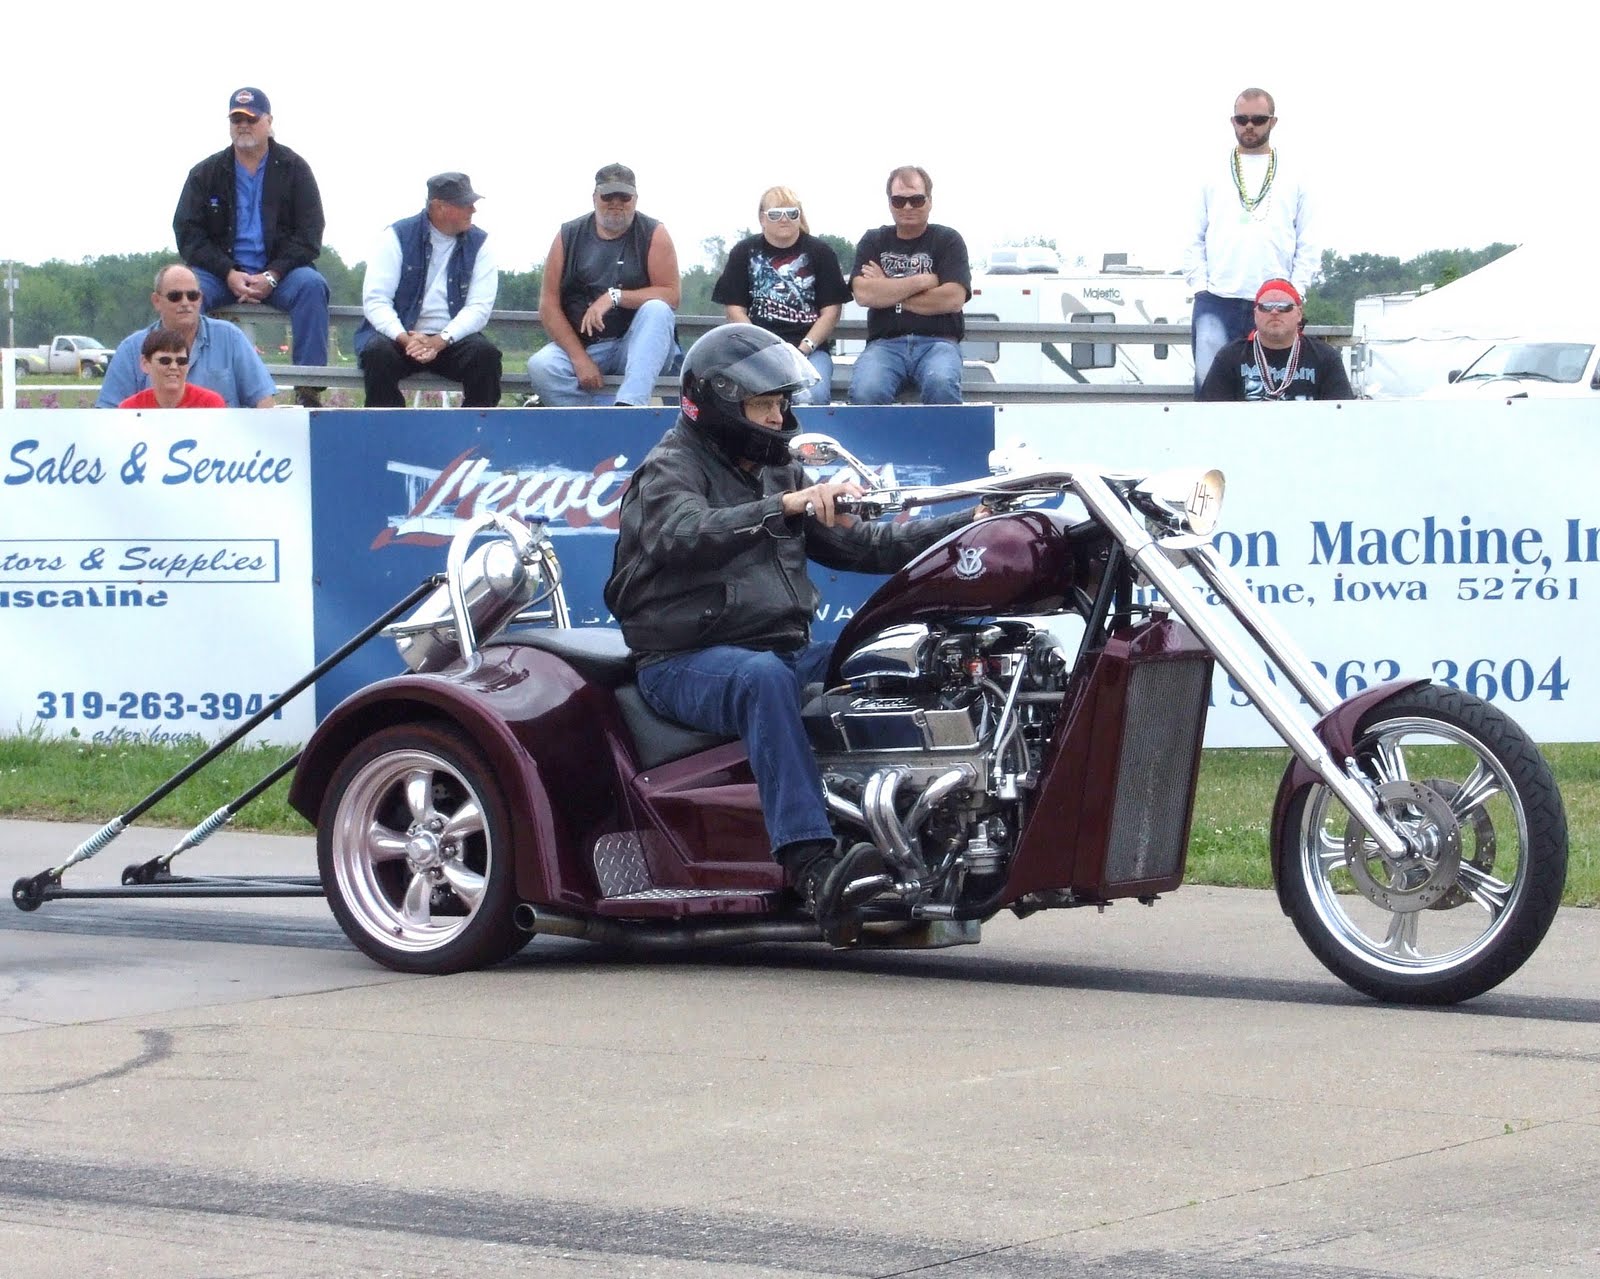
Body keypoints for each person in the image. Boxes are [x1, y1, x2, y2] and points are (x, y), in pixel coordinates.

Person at [604, 324, 981, 924]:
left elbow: (870, 547)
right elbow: (682, 534)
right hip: (681, 662)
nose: (780, 417)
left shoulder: (774, 469)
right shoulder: (668, 467)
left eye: (781, 403)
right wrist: (783, 508)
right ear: (723, 403)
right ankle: (811, 863)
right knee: (762, 680)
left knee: (881, 656)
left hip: (779, 651)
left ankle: (914, 833)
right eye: (765, 404)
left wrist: (971, 522)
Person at [173, 87, 331, 408]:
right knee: (187, 294)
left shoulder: (295, 169)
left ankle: (308, 388)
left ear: (268, 121)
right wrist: (227, 272)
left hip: (281, 274)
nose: (243, 125)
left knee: (313, 286)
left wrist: (273, 274)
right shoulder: (205, 173)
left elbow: (310, 235)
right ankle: (184, 383)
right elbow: (187, 233)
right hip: (220, 273)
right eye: (236, 119)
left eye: (251, 118)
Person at [1184, 87, 1317, 394]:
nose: (1249, 126)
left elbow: (1309, 240)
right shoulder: (1210, 173)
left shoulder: (1296, 175)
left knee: (1274, 390)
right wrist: (1200, 287)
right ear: (1232, 121)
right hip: (1217, 298)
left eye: (1258, 119)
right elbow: (1192, 236)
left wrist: (1295, 292)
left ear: (1273, 122)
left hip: (1276, 302)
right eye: (1241, 119)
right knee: (1210, 389)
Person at [527, 163, 681, 407]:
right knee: (541, 366)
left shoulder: (654, 233)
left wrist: (614, 296)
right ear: (594, 198)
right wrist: (579, 359)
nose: (616, 202)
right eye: (608, 195)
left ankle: (629, 408)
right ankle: (592, 424)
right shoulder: (568, 235)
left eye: (624, 196)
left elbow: (671, 295)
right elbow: (548, 306)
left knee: (658, 310)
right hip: (585, 346)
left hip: (636, 346)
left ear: (635, 199)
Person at [352, 173, 502, 409]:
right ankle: (387, 435)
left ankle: (474, 436)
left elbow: (479, 308)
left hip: (451, 340)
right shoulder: (396, 236)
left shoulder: (481, 244)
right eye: (465, 204)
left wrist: (439, 341)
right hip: (400, 338)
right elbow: (376, 300)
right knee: (377, 354)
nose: (473, 209)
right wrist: (404, 338)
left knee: (485, 357)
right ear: (439, 207)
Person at [712, 186, 850, 405]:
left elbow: (831, 311)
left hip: (809, 351)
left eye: (792, 213)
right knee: (746, 396)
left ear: (800, 216)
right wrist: (763, 349)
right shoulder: (743, 252)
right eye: (775, 214)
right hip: (756, 352)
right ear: (762, 219)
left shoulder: (821, 252)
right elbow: (734, 309)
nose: (784, 219)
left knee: (813, 396)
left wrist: (803, 349)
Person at [846, 166, 971, 405]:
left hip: (939, 343)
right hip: (884, 345)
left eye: (916, 200)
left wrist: (887, 288)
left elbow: (952, 299)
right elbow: (863, 294)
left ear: (930, 201)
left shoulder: (948, 240)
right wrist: (923, 281)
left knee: (941, 383)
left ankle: (943, 443)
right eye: (899, 201)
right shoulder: (873, 240)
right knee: (866, 391)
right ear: (889, 203)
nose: (907, 207)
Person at [96, 264, 278, 408]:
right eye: (175, 296)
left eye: (192, 295)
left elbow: (264, 402)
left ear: (200, 298)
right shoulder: (131, 349)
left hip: (219, 449)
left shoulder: (231, 338)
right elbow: (108, 416)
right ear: (156, 301)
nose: (185, 303)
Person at [1198, 279, 1353, 401]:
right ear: (1255, 314)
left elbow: (1342, 414)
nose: (1274, 312)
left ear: (1299, 313)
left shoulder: (1325, 357)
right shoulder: (1229, 357)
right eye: (1265, 306)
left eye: (1284, 306)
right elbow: (1210, 415)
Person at [116, 327, 226, 409]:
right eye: (165, 361)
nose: (174, 367)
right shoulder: (129, 409)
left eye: (181, 361)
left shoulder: (210, 404)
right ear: (145, 364)